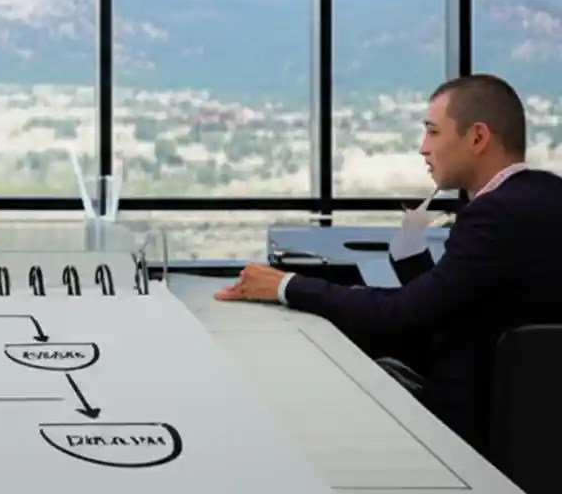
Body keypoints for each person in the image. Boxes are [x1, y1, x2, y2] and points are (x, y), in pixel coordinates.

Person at [215, 74, 562, 454]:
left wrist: (285, 285)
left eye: (432, 132)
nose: (422, 149)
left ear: (477, 137)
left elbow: (405, 314)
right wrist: (413, 266)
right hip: (534, 426)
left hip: (467, 431)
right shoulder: (544, 195)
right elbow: (462, 306)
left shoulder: (495, 213)